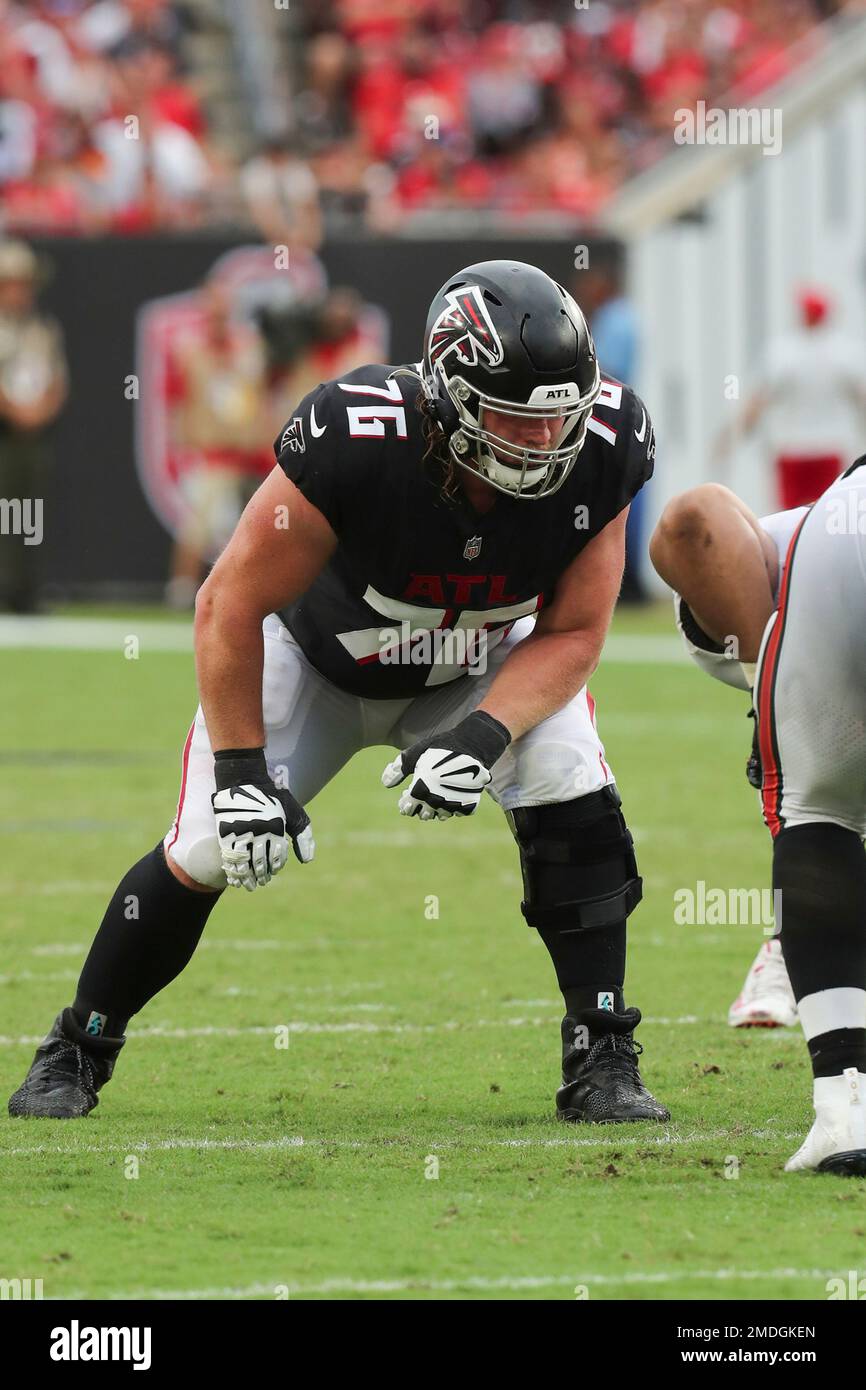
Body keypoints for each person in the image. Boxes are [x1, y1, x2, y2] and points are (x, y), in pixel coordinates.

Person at [9, 260, 669, 1128]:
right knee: (209, 845)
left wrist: (479, 736)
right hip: (317, 661)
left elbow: (577, 632)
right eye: (518, 417)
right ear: (452, 396)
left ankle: (601, 1050)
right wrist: (243, 770)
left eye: (560, 419)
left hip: (473, 665)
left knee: (568, 770)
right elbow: (228, 603)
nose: (546, 444)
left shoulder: (607, 445)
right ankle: (78, 1045)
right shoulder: (354, 437)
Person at [652, 475, 866, 1175]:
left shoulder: (823, 526)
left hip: (827, 594)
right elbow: (689, 521)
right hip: (818, 604)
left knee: (818, 811)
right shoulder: (803, 541)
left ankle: (846, 1113)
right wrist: (762, 674)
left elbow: (688, 519)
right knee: (823, 810)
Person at [650, 483, 803, 1027]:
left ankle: (794, 947)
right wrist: (772, 694)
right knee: (697, 510)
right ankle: (792, 948)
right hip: (762, 624)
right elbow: (693, 515)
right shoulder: (813, 542)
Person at [714, 287, 866, 509]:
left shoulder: (783, 352)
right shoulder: (844, 353)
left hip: (792, 450)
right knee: (826, 515)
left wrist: (730, 436)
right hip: (829, 449)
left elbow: (757, 404)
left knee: (790, 519)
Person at [0, 239, 67, 613]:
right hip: (5, 434)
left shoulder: (43, 329)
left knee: (31, 509)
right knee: (5, 507)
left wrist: (41, 411)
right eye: (12, 283)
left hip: (36, 434)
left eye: (24, 284)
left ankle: (29, 589)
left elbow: (57, 379)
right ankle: (4, 586)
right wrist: (14, 411)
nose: (19, 292)